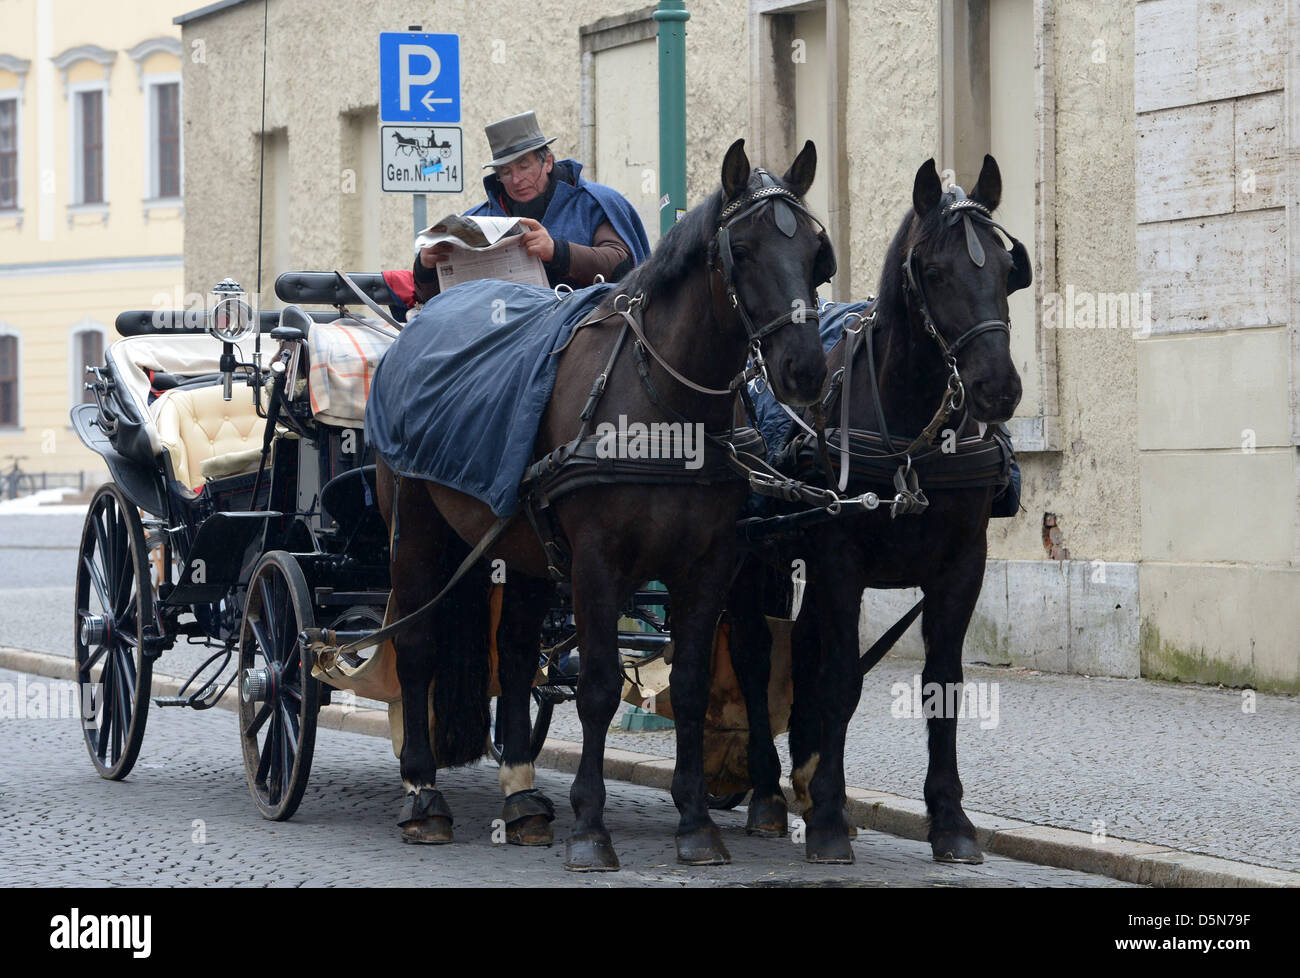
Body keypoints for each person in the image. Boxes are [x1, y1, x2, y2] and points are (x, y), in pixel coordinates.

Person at [383, 111, 650, 316]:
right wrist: (426, 266)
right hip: (501, 342)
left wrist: (557, 251)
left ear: (547, 162)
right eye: (506, 172)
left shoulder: (594, 202)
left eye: (524, 166)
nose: (516, 179)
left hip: (587, 336)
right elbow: (435, 303)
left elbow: (623, 265)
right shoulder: (474, 221)